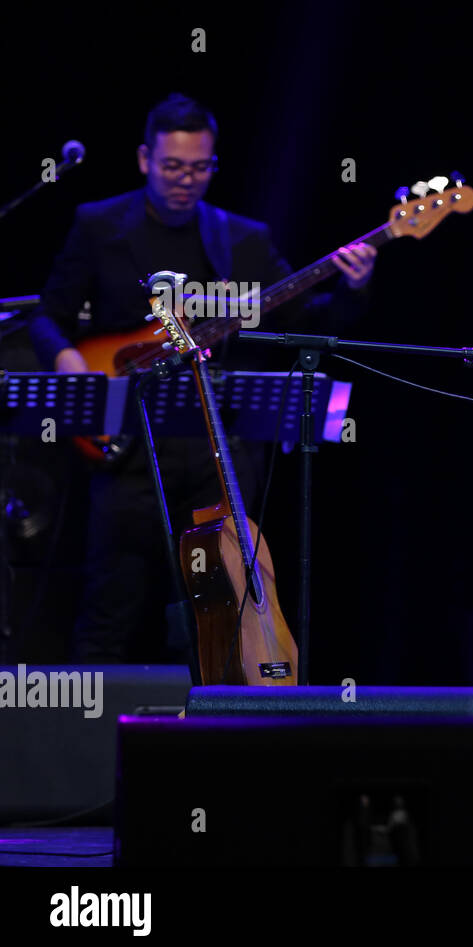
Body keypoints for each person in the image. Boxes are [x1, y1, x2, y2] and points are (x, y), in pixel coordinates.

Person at [25, 93, 377, 664]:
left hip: (219, 452)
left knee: (212, 613)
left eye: (199, 167)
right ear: (144, 159)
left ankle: (205, 737)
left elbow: (306, 324)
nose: (186, 179)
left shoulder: (244, 239)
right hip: (128, 455)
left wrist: (354, 287)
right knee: (109, 609)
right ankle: (93, 744)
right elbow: (47, 315)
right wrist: (68, 361)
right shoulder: (98, 225)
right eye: (172, 166)